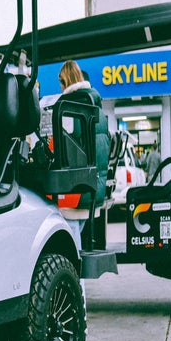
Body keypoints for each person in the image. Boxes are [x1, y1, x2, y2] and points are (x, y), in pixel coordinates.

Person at [56, 59, 110, 240]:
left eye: (61, 83)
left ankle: (74, 259)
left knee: (70, 231)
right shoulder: (96, 107)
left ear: (65, 81)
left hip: (77, 190)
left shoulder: (70, 109)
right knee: (77, 228)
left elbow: (66, 150)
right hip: (94, 188)